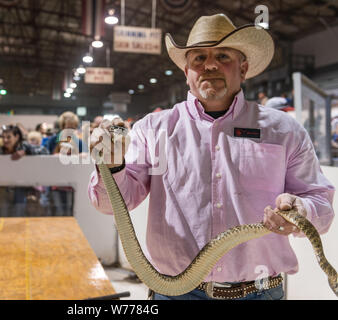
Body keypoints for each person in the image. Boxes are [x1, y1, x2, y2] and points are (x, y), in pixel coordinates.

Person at [88, 14, 335, 300]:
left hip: (260, 292)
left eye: (222, 56)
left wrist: (301, 210)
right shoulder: (153, 130)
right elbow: (112, 204)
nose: (210, 65)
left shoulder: (283, 130)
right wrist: (112, 164)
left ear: (243, 69)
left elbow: (321, 205)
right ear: (187, 71)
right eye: (199, 58)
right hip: (176, 293)